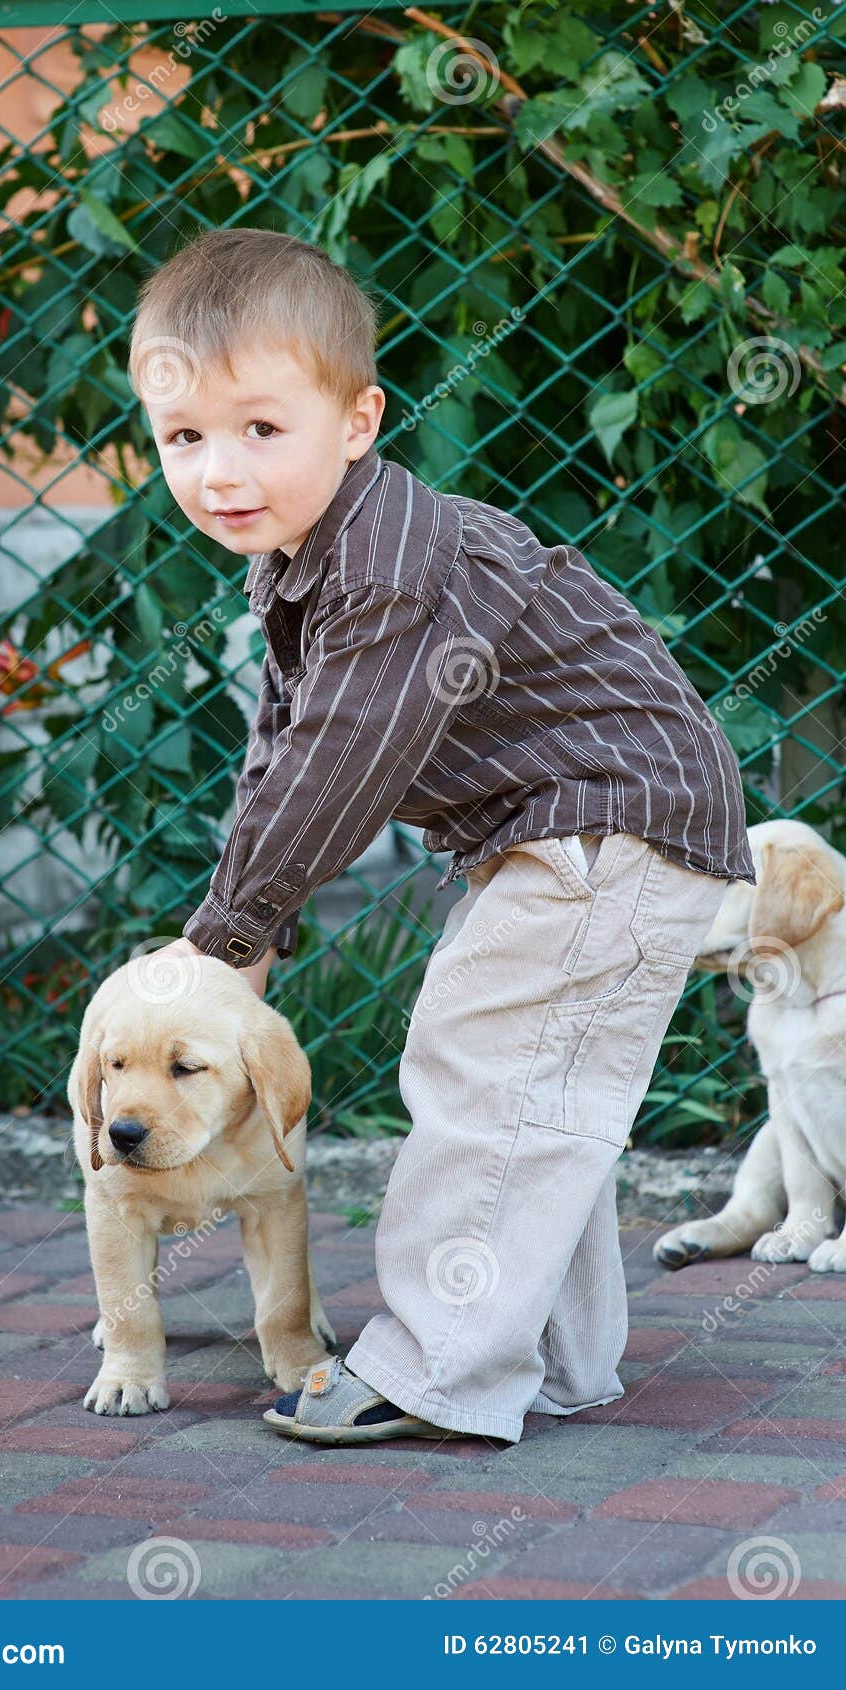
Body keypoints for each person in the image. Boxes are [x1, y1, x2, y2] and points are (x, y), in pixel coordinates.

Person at [126, 225, 755, 1446]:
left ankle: (433, 1368)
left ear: (357, 420)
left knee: (486, 1068)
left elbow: (344, 754)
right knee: (537, 1087)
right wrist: (233, 932)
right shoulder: (307, 559)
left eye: (262, 428)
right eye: (183, 438)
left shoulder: (391, 560)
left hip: (612, 819)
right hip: (568, 827)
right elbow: (279, 748)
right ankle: (555, 1362)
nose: (219, 470)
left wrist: (241, 926)